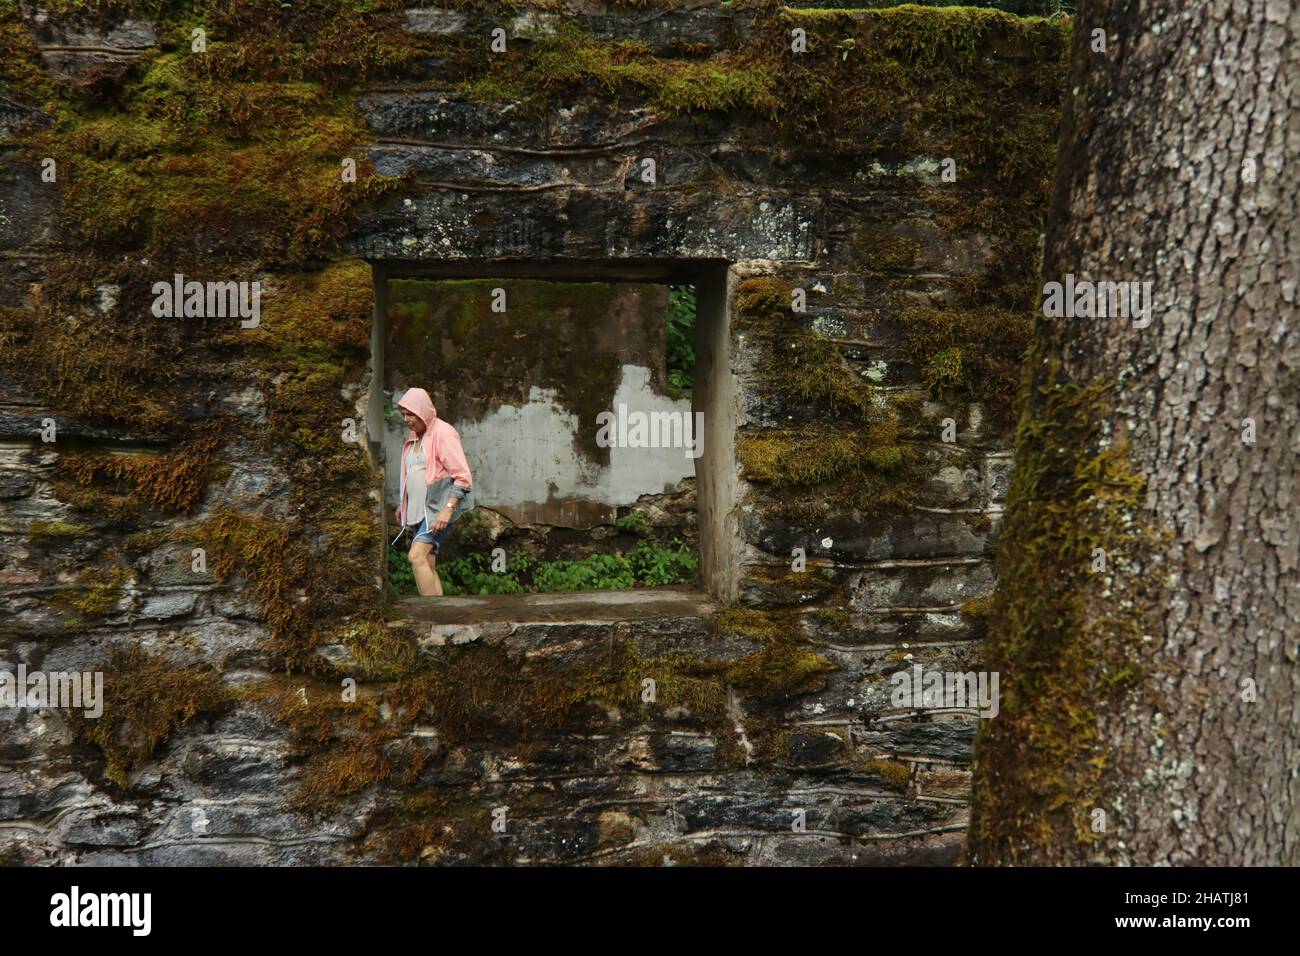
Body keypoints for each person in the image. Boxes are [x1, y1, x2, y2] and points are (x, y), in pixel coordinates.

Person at [394, 387, 475, 596]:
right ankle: (442, 613)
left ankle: (430, 615)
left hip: (438, 510)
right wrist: (402, 504)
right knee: (428, 562)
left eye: (410, 413)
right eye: (404, 414)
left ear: (423, 411)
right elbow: (414, 472)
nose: (406, 419)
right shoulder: (415, 437)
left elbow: (463, 477)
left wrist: (447, 510)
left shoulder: (443, 433)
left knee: (416, 557)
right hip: (422, 510)